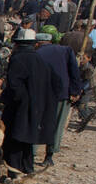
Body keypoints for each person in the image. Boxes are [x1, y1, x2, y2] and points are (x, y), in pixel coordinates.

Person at [0, 28, 57, 175]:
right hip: (37, 106)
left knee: (14, 139)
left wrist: (15, 99)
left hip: (20, 107)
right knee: (26, 141)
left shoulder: (18, 58)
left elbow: (14, 84)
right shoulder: (41, 60)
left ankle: (14, 172)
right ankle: (28, 169)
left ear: (18, 44)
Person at [33, 31, 82, 167]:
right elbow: (74, 72)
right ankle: (49, 156)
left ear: (37, 43)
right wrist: (75, 91)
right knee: (57, 124)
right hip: (62, 94)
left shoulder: (35, 54)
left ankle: (31, 153)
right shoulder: (66, 50)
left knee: (37, 123)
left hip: (41, 94)